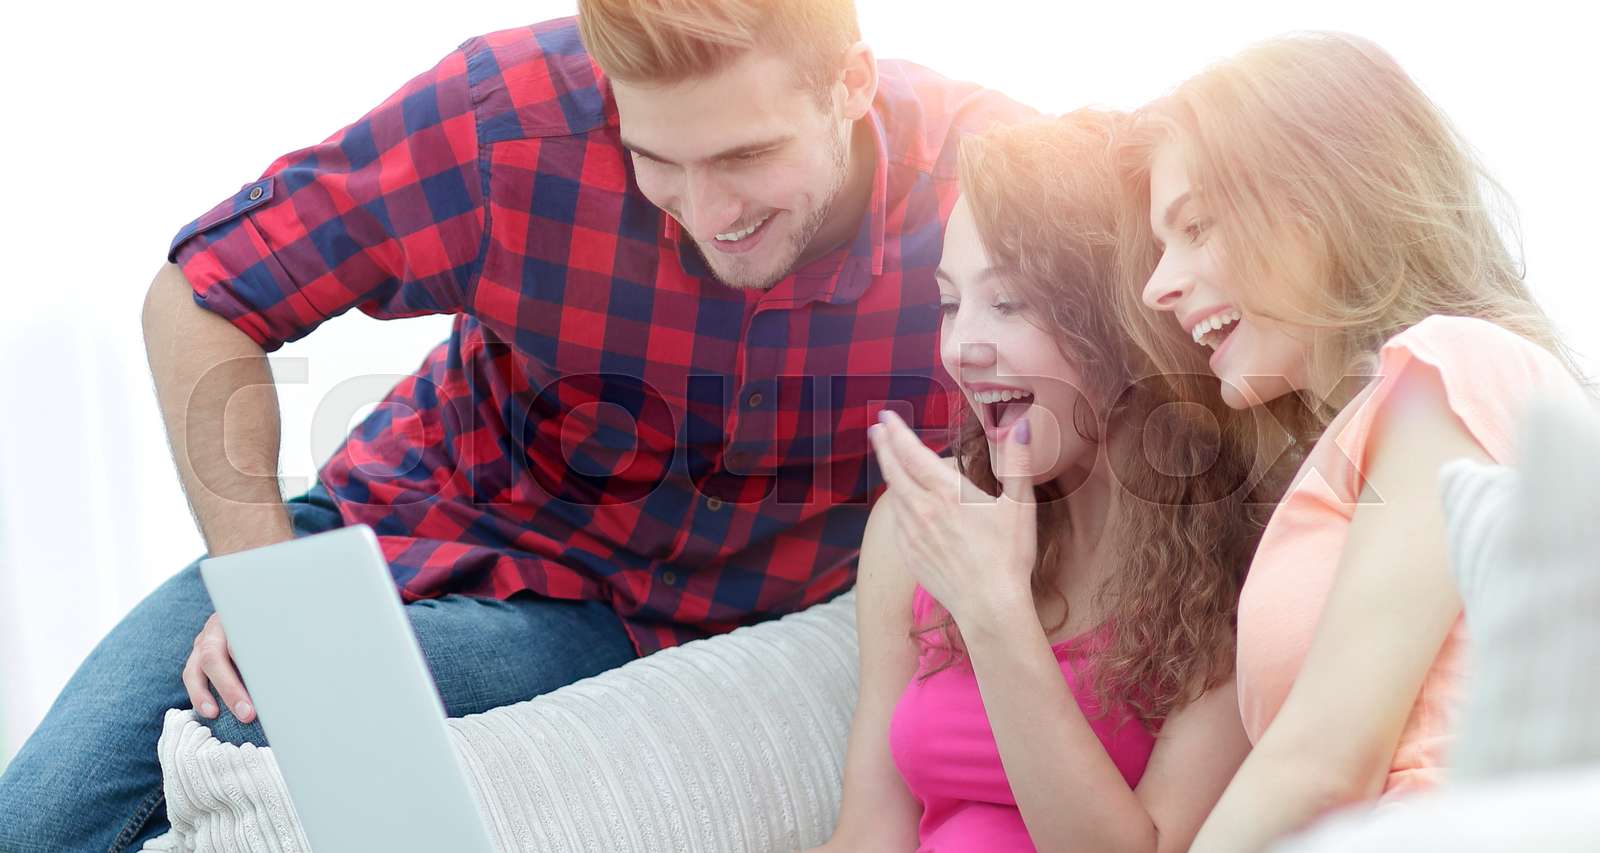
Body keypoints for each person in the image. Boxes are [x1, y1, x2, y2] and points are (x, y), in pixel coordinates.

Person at [0, 1, 1032, 849]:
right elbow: (200, 296)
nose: (704, 208)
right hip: (409, 519)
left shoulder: (989, 183)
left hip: (606, 626)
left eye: (745, 154)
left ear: (850, 83)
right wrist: (268, 588)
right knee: (39, 818)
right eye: (655, 160)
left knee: (246, 728)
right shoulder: (507, 118)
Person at [1121, 32, 1593, 852]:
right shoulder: (1364, 433)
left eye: (1195, 226)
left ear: (1319, 206)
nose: (1158, 286)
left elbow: (1324, 760)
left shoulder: (1453, 361)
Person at [816, 112, 1270, 853]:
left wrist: (995, 612)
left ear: (1121, 320)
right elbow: (869, 833)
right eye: (950, 303)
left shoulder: (1241, 566)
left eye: (1008, 302)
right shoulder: (917, 528)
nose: (960, 348)